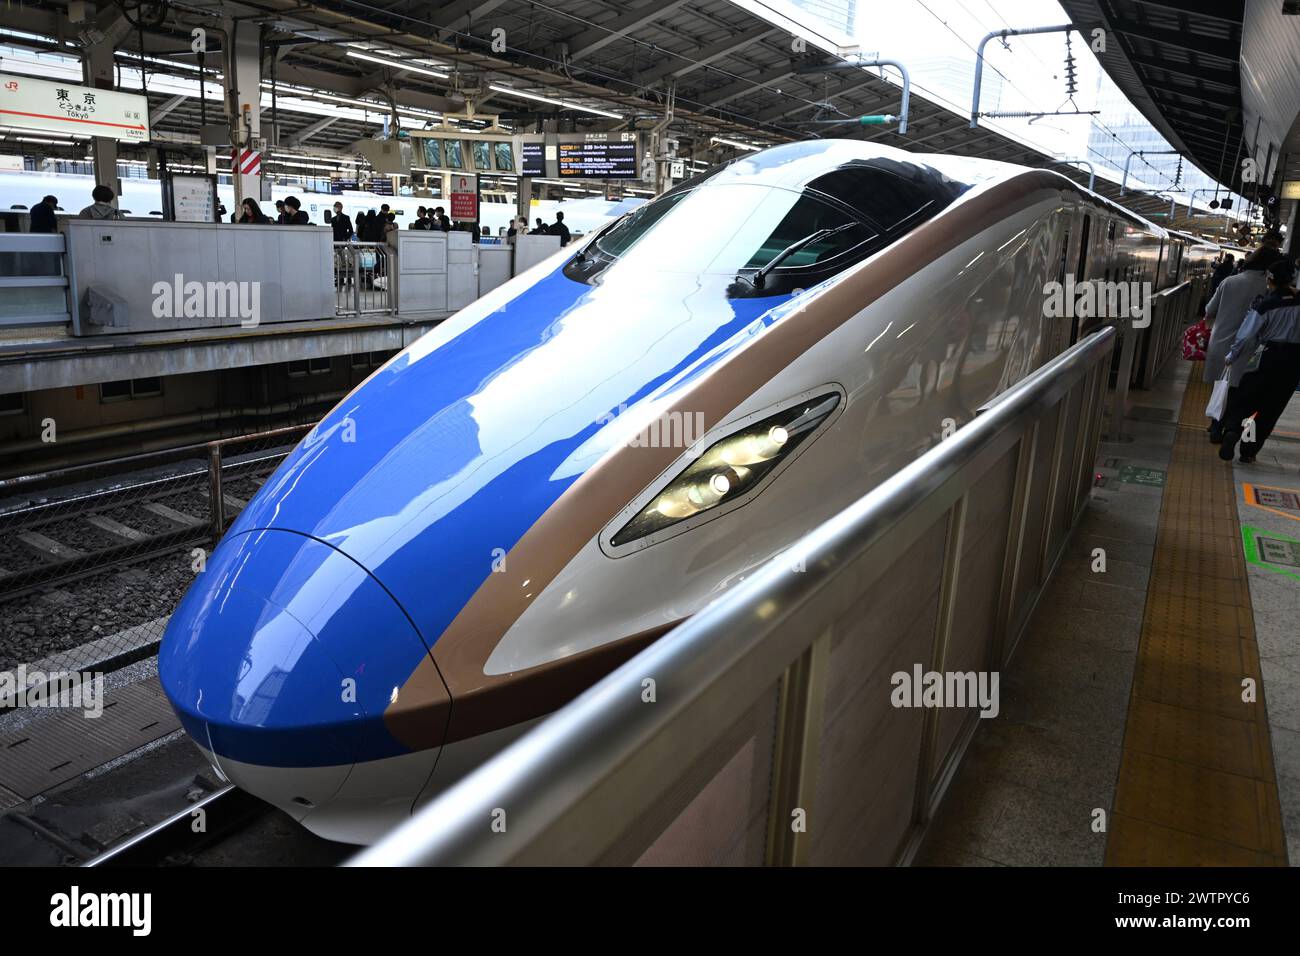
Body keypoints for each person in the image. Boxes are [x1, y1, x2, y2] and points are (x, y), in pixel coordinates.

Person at [1218, 259, 1300, 463]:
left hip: (1267, 355)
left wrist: (1232, 356)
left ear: (1270, 280)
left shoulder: (1265, 304)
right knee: (1271, 408)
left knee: (1247, 397)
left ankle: (1233, 431)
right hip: (1294, 361)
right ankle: (1249, 451)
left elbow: (1245, 336)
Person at [1203, 247, 1283, 441]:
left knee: (1221, 385)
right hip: (1251, 347)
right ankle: (1227, 427)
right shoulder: (1268, 289)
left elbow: (1209, 309)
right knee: (1239, 390)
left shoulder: (1229, 282)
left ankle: (1216, 425)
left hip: (1220, 343)